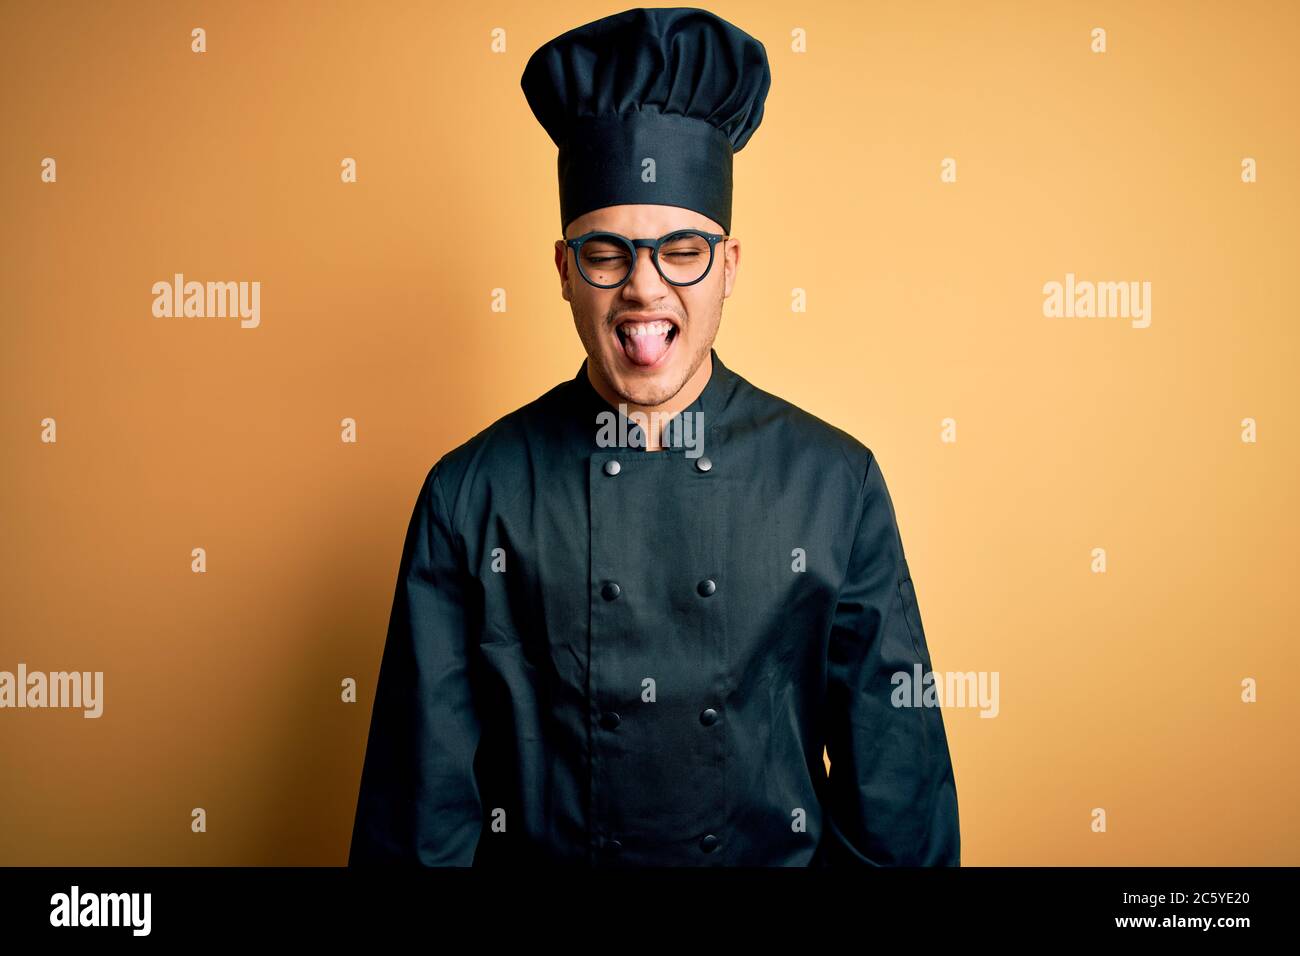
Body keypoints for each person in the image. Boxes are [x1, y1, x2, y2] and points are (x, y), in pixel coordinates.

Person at [348, 6, 960, 867]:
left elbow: (897, 796)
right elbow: (422, 816)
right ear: (564, 270)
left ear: (730, 267)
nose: (644, 288)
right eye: (607, 253)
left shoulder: (835, 484)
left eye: (682, 251)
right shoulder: (468, 496)